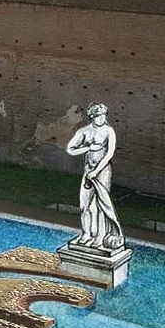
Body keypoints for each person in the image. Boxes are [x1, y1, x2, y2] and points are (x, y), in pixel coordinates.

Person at [66, 103, 123, 249]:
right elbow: (70, 149)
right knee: (85, 204)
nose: (102, 118)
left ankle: (100, 236)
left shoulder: (109, 131)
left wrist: (96, 171)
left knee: (101, 204)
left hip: (102, 171)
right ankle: (86, 234)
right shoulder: (84, 131)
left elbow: (109, 153)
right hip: (88, 170)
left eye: (104, 115)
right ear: (93, 117)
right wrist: (87, 148)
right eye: (99, 116)